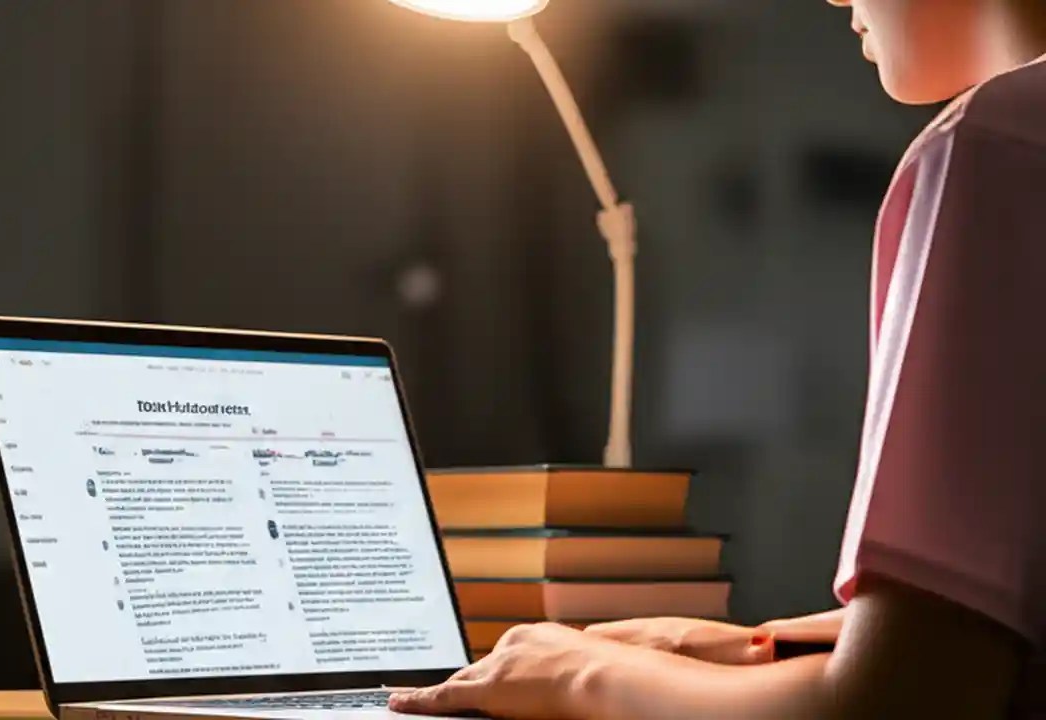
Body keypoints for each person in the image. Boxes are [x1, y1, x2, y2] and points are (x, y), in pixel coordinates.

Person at [389, 1, 1046, 718]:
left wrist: (576, 673)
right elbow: (980, 650)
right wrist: (759, 646)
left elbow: (897, 705)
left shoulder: (997, 143)